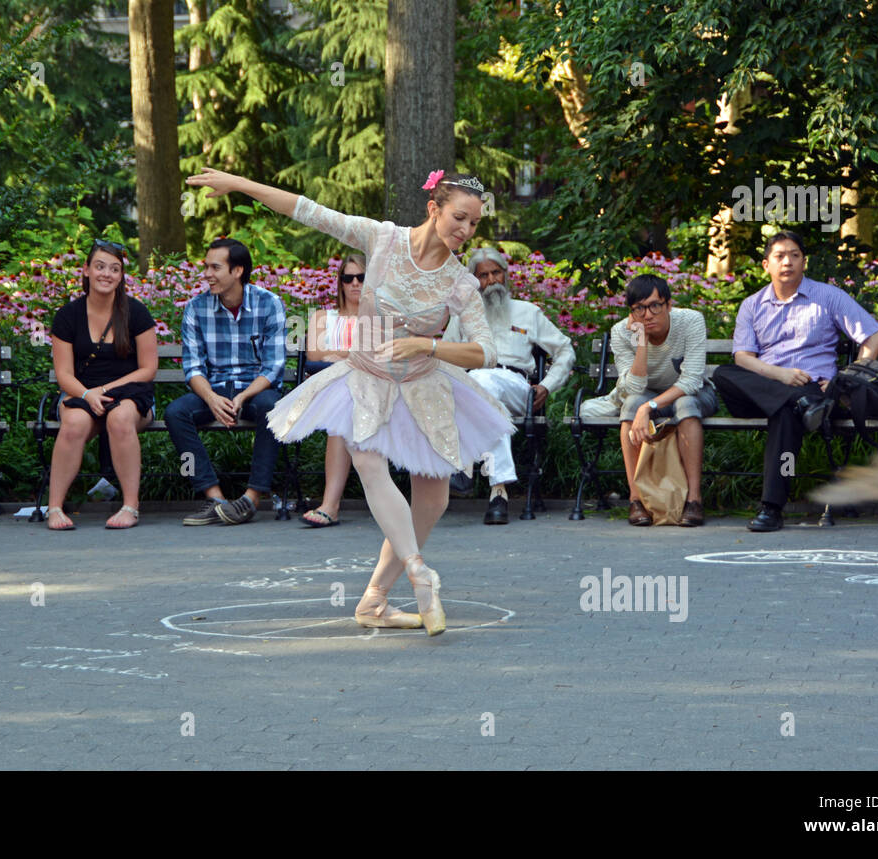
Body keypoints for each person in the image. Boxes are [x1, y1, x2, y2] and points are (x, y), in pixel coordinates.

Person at [187, 166, 512, 637]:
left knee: (434, 497)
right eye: (459, 217)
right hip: (365, 377)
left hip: (424, 383)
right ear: (433, 208)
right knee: (367, 459)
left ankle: (374, 599)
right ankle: (419, 570)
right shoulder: (381, 239)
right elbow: (307, 210)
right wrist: (240, 184)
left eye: (474, 223)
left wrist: (429, 345)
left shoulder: (459, 282)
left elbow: (486, 350)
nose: (465, 230)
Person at [713, 231, 878, 532]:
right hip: (767, 388)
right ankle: (801, 403)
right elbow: (743, 357)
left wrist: (848, 380)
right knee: (722, 373)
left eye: (794, 255)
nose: (787, 262)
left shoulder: (828, 297)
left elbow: (874, 334)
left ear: (804, 262)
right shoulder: (752, 305)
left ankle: (771, 509)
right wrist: (780, 375)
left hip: (811, 387)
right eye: (780, 256)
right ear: (766, 264)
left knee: (785, 412)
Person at [442, 247, 575, 524]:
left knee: (483, 381)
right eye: (483, 275)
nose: (491, 280)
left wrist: (548, 386)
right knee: (489, 399)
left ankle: (465, 466)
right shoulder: (463, 315)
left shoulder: (527, 312)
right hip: (476, 390)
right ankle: (498, 492)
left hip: (517, 387)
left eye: (496, 272)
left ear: (505, 274)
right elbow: (446, 357)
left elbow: (565, 350)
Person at [165, 237, 287, 527]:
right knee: (174, 414)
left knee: (275, 408)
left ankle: (252, 497)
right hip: (215, 388)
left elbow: (273, 367)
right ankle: (214, 497)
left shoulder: (269, 303)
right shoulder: (196, 307)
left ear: (237, 271)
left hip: (256, 389)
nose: (207, 273)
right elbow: (193, 367)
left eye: (215, 267)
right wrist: (211, 399)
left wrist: (244, 396)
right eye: (206, 266)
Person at [579, 274, 718, 527]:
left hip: (693, 394)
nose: (648, 314)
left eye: (655, 305)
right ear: (632, 312)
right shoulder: (622, 332)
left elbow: (692, 381)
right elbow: (634, 387)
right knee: (631, 405)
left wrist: (649, 406)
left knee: (684, 404)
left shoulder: (691, 321)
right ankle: (636, 500)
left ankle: (694, 501)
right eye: (639, 308)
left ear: (668, 304)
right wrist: (640, 342)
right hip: (646, 394)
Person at [44, 239, 158, 530]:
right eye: (99, 267)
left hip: (129, 392)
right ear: (86, 270)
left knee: (119, 419)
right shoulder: (68, 316)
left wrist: (105, 391)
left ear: (121, 276)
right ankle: (55, 507)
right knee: (74, 424)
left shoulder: (136, 312)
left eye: (114, 269)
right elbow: (64, 374)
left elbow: (148, 369)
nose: (106, 274)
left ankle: (130, 507)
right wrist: (87, 394)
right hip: (82, 391)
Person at [298, 253, 366, 528]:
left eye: (361, 278)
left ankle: (331, 505)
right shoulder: (323, 317)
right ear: (340, 282)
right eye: (348, 278)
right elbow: (315, 356)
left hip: (373, 391)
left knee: (344, 412)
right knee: (343, 411)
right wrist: (354, 354)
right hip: (332, 390)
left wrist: (339, 354)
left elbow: (381, 356)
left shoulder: (382, 317)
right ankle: (330, 504)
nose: (355, 284)